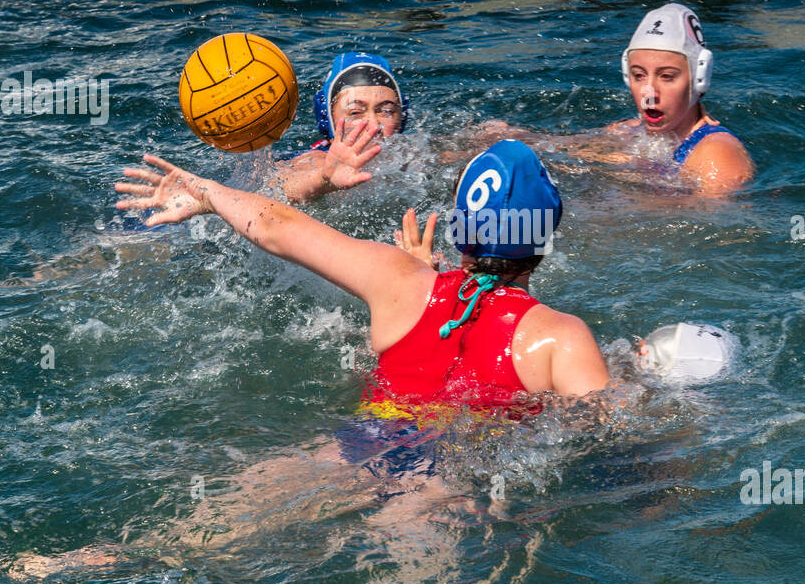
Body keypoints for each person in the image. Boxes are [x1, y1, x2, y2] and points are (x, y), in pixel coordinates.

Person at [115, 139, 609, 415]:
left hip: (362, 452)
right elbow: (608, 440)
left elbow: (277, 227)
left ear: (461, 232)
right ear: (546, 240)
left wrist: (203, 191)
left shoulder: (397, 280)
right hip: (452, 490)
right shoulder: (562, 340)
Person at [477, 2, 755, 196]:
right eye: (638, 75)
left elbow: (711, 224)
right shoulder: (627, 131)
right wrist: (512, 139)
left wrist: (632, 175)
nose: (649, 92)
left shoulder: (717, 154)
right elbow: (562, 149)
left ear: (698, 80)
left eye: (667, 77)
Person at [269, 52, 408, 203]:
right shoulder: (316, 160)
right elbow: (271, 189)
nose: (374, 125)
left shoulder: (411, 155)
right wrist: (323, 179)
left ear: (401, 117)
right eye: (355, 112)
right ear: (328, 119)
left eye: (386, 111)